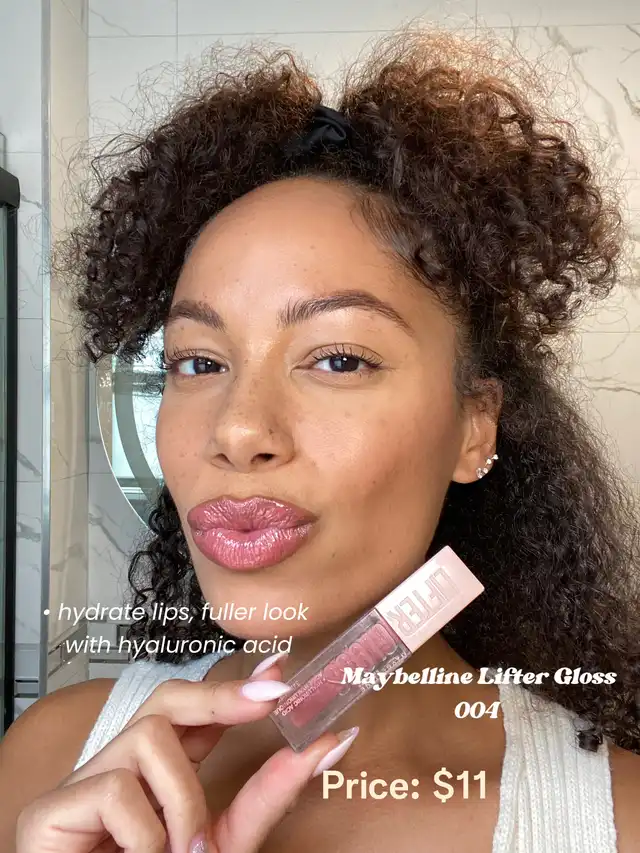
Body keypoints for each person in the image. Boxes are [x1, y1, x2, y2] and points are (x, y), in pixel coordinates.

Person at [1, 27, 639, 853]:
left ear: (473, 427)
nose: (237, 428)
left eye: (338, 358)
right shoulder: (47, 763)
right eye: (198, 361)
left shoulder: (619, 818)